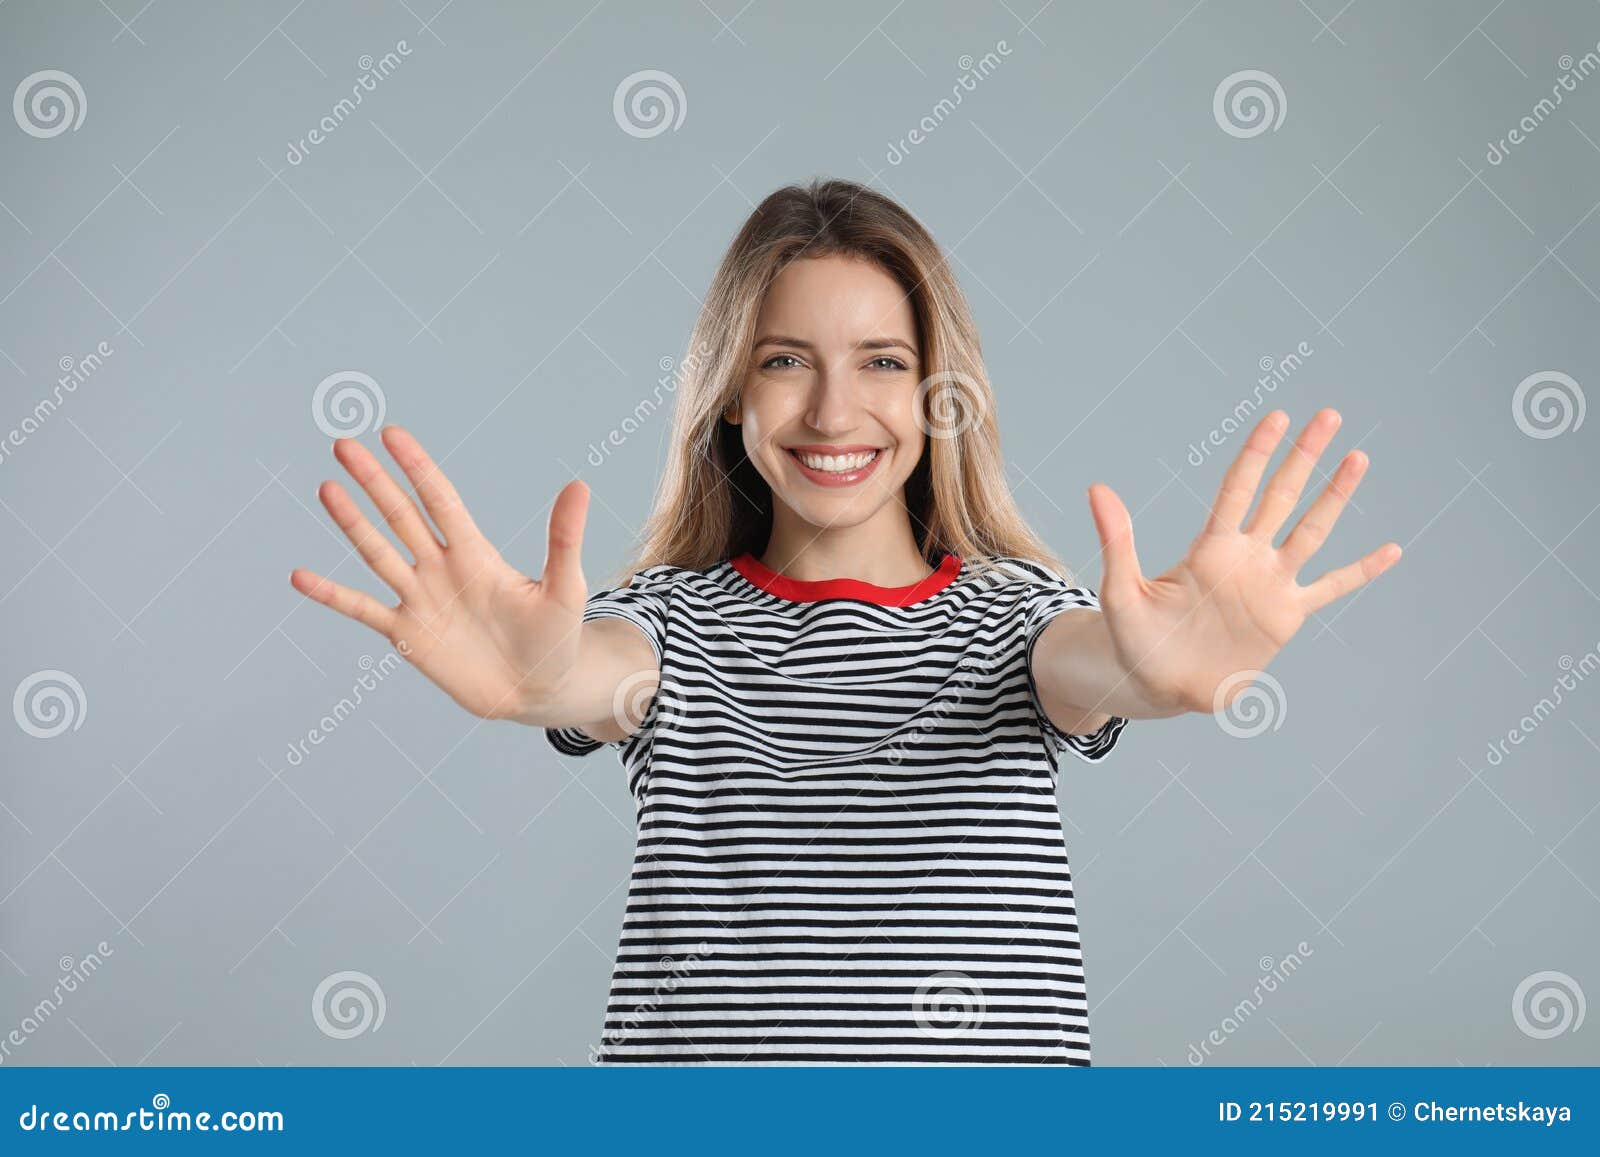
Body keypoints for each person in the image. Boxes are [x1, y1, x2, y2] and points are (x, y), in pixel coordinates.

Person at [289, 178, 1401, 1064]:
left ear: (937, 394)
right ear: (731, 390)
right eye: (784, 362)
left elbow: (1088, 664)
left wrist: (1153, 671)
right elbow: (598, 670)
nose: (831, 411)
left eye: (882, 361)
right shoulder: (665, 627)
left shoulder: (1017, 618)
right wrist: (543, 680)